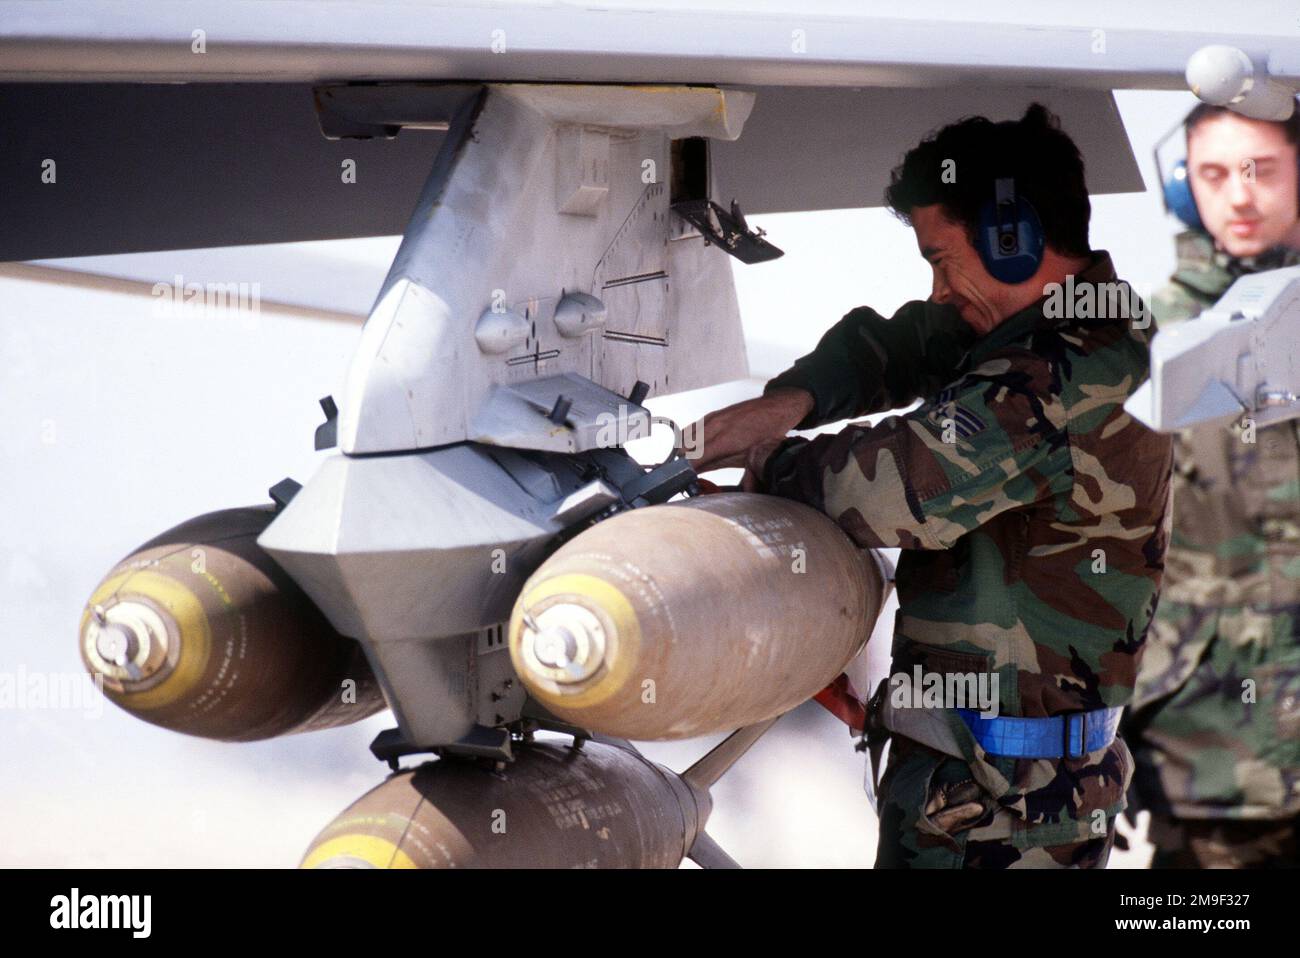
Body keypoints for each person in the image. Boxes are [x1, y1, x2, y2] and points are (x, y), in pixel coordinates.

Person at [689, 104, 1173, 868]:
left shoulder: (1066, 377)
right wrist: (796, 399)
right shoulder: (1065, 325)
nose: (939, 289)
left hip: (999, 815)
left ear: (1011, 239)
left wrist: (767, 469)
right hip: (1010, 788)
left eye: (943, 260)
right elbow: (907, 340)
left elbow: (900, 484)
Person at [1122, 103, 1300, 868]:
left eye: (1262, 170)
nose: (1240, 195)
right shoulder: (1143, 340)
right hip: (1206, 757)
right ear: (1183, 185)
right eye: (1214, 173)